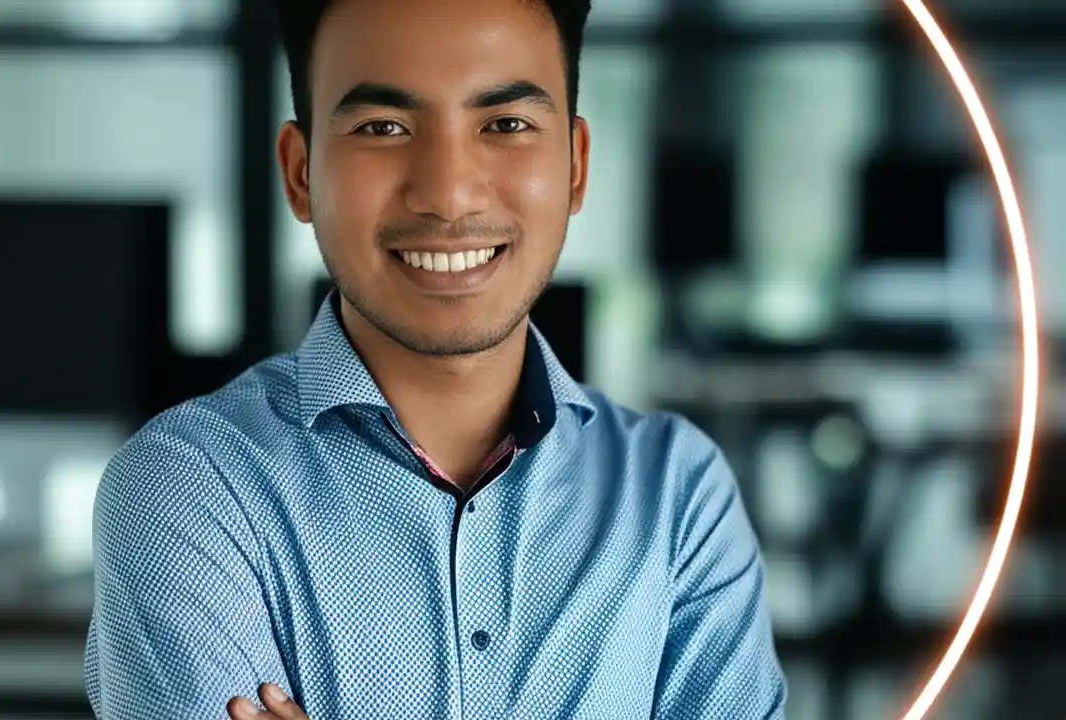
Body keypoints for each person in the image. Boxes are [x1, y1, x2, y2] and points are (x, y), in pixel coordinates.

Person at [83, 0, 787, 717]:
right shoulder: (187, 487)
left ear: (576, 166)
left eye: (505, 124)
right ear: (300, 174)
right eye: (383, 128)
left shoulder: (676, 497)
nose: (448, 195)